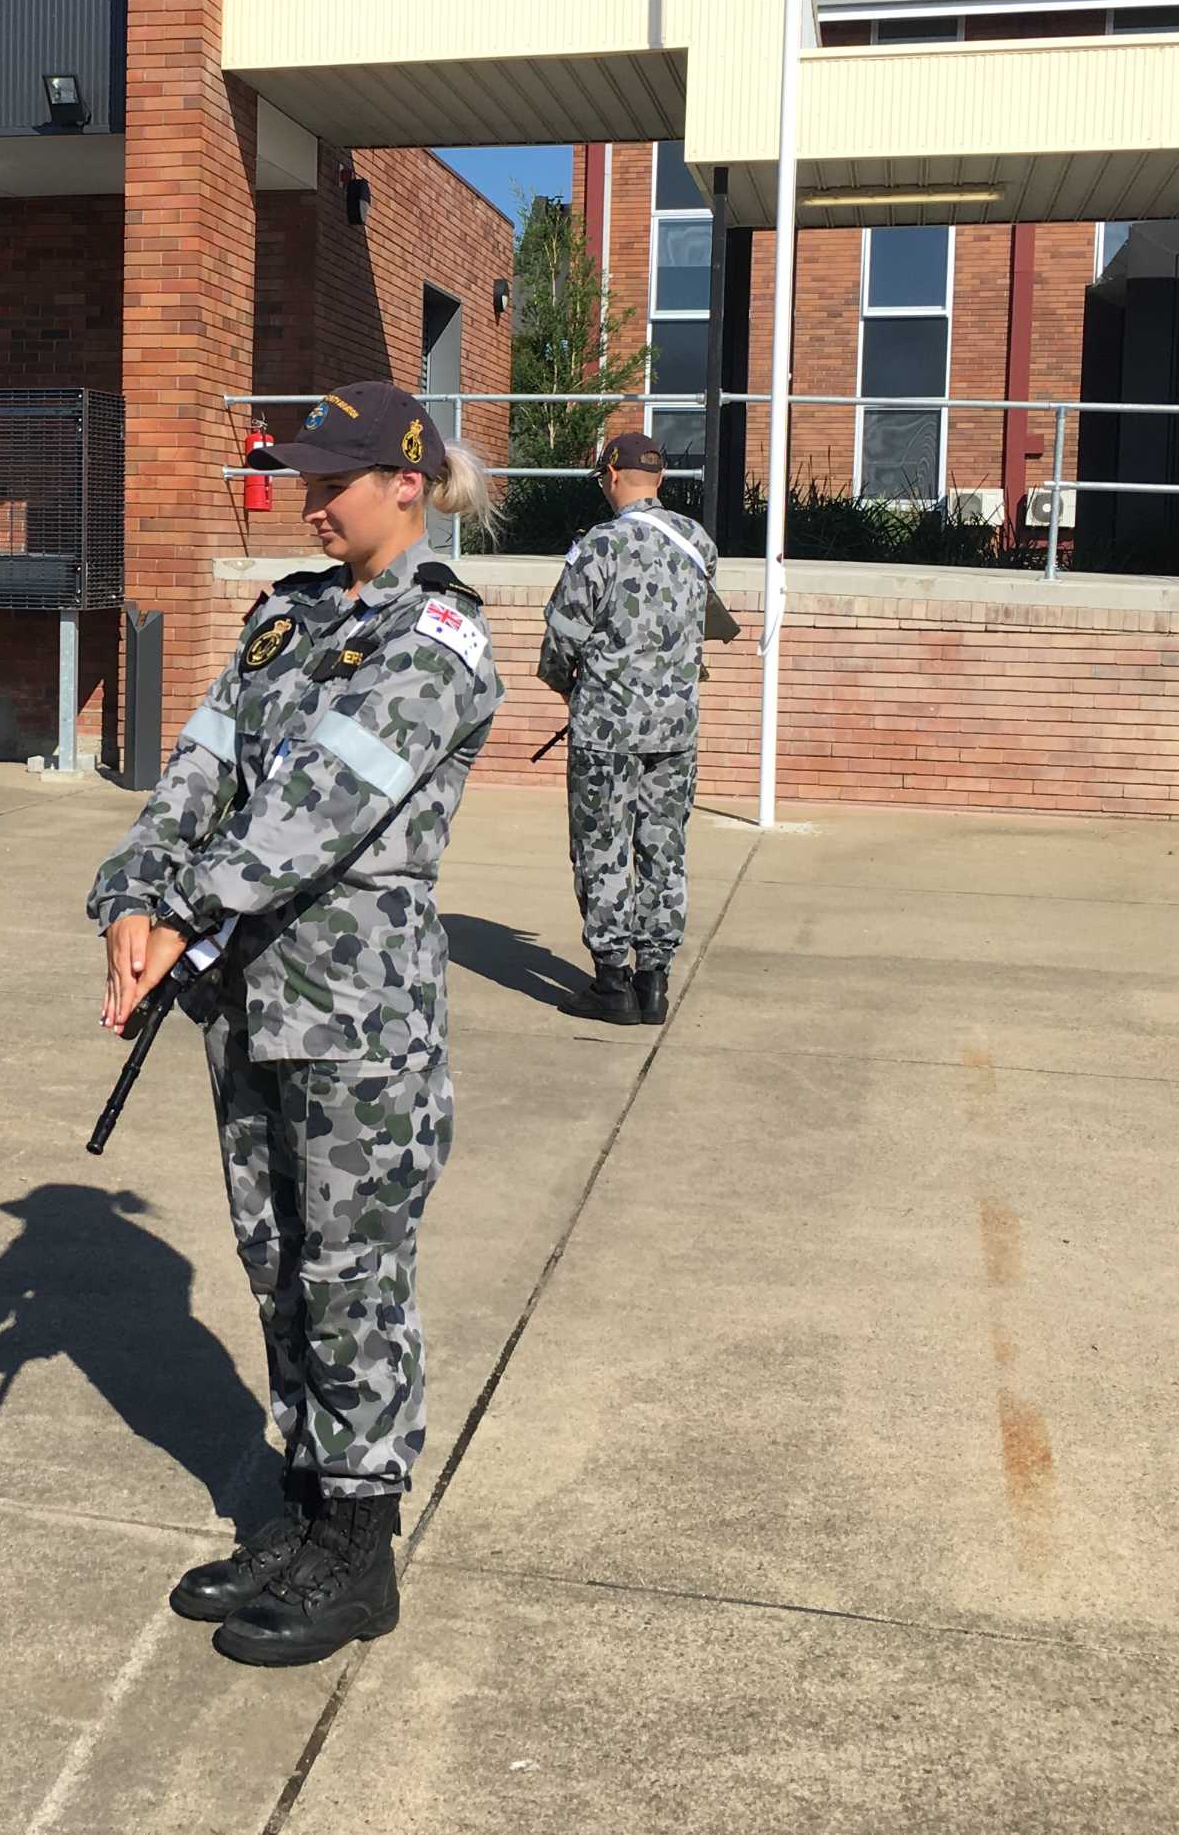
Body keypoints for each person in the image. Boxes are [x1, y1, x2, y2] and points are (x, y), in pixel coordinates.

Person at [88, 380, 502, 1668]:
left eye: (334, 480)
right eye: (300, 478)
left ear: (408, 484)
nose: (309, 501)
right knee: (277, 1266)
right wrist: (132, 892)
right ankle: (307, 1506)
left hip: (358, 1014)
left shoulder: (436, 643)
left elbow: (317, 811)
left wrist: (181, 912)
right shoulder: (287, 619)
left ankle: (361, 1553)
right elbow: (202, 767)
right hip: (248, 998)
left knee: (352, 1277)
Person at [538, 428, 721, 1028]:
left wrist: (576, 692)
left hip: (605, 731)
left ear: (610, 476)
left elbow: (561, 641)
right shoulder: (698, 542)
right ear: (660, 479)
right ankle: (656, 980)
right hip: (675, 729)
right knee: (663, 845)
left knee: (602, 846)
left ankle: (612, 981)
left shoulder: (598, 547)